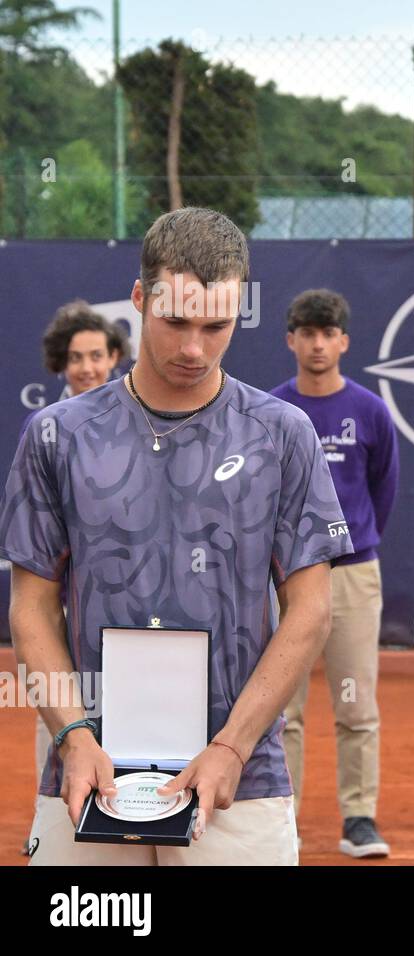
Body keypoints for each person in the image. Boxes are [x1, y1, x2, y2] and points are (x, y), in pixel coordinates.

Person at [1, 206, 352, 865]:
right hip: (86, 771)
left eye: (216, 325)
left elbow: (311, 610)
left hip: (239, 780)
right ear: (140, 299)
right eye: (176, 322)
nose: (194, 347)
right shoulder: (56, 435)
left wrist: (232, 746)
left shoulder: (283, 434)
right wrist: (74, 738)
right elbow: (32, 607)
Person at [271, 289, 399, 859]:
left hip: (352, 576)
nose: (318, 344)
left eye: (329, 333)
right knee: (282, 707)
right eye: (308, 332)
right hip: (285, 581)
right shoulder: (273, 411)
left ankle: (359, 819)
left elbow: (383, 490)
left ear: (344, 341)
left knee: (355, 703)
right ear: (291, 340)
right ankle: (283, 818)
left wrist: (351, 540)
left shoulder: (370, 411)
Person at [20, 301, 131, 855]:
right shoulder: (42, 433)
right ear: (60, 365)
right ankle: (58, 817)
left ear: (114, 357)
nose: (86, 366)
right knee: (60, 719)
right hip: (65, 617)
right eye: (75, 358)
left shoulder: (133, 425)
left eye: (96, 355)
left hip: (121, 619)